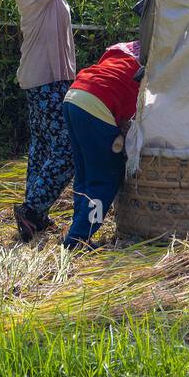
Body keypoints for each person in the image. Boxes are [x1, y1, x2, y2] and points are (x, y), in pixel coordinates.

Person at [0, 0, 77, 240]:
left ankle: (35, 215)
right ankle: (30, 211)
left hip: (41, 79)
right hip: (47, 81)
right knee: (67, 150)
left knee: (43, 147)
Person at [62, 41, 140, 250]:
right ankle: (78, 239)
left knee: (85, 173)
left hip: (75, 96)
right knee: (106, 178)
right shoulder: (158, 60)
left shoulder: (125, 47)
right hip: (98, 104)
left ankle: (78, 230)